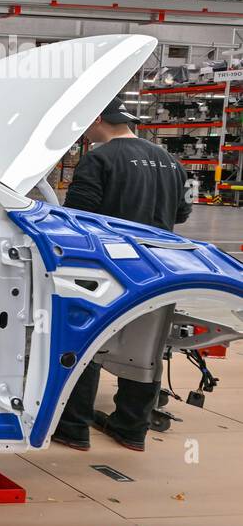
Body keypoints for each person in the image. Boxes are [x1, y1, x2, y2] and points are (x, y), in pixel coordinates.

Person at [51, 96, 192, 453]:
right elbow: (183, 212)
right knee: (146, 348)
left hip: (106, 267)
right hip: (159, 268)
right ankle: (131, 429)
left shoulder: (98, 159)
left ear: (98, 117)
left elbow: (77, 218)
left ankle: (73, 428)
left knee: (87, 344)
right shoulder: (170, 161)